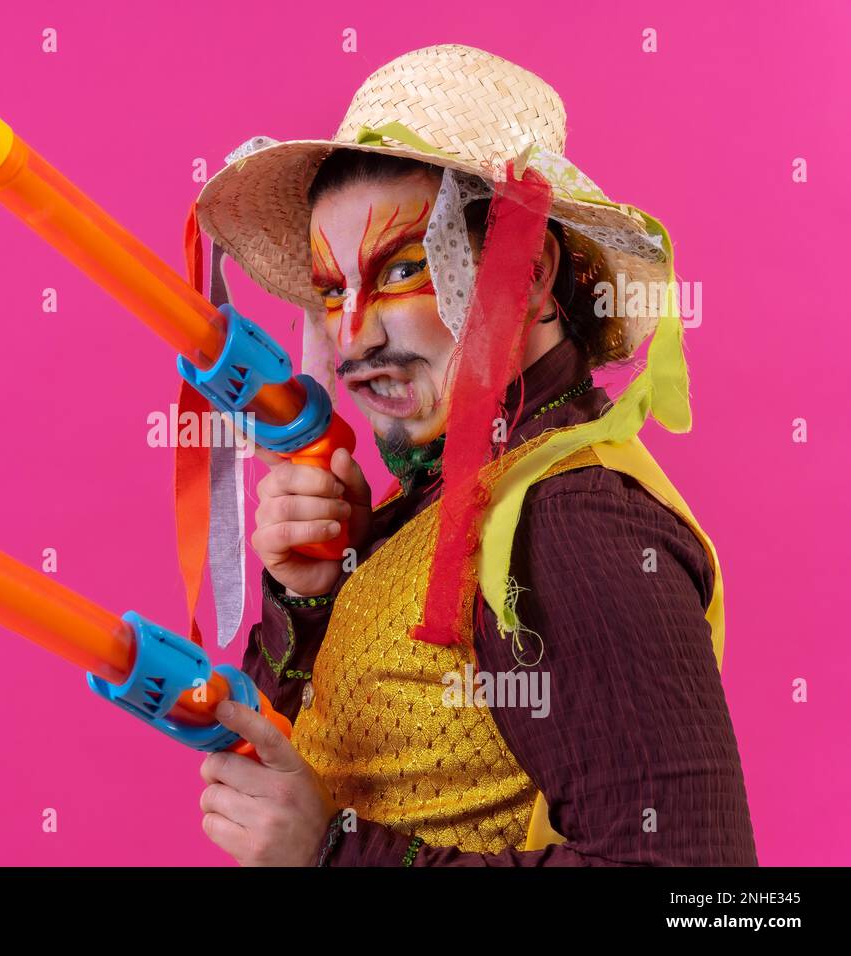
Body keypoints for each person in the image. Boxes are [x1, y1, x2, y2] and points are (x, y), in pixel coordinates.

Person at [188, 44, 757, 866]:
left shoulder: (576, 523)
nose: (354, 337)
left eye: (405, 269)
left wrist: (334, 854)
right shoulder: (433, 503)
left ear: (526, 275)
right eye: (337, 291)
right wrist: (313, 593)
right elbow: (296, 777)